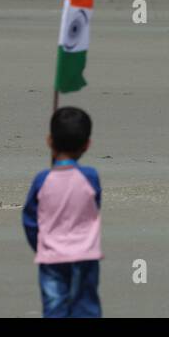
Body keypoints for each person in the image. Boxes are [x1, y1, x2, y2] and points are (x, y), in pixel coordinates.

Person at [22, 107, 102, 318]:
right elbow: (94, 206)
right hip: (85, 253)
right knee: (85, 306)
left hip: (51, 256)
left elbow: (30, 219)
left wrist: (39, 244)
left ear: (50, 141)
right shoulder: (90, 177)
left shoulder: (42, 180)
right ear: (87, 144)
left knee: (55, 307)